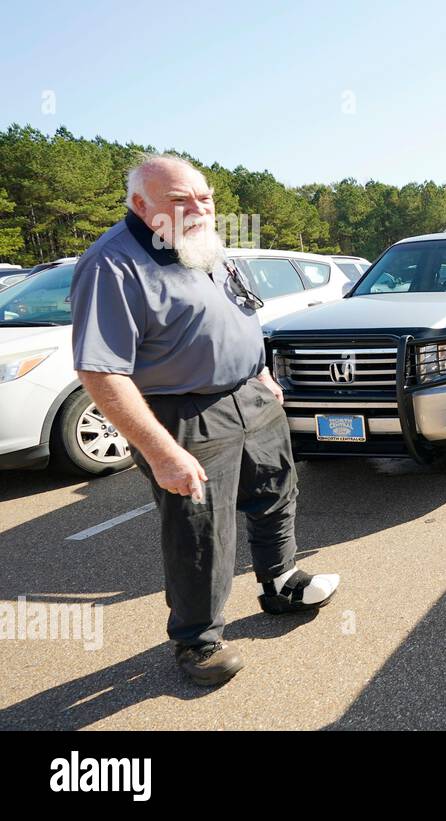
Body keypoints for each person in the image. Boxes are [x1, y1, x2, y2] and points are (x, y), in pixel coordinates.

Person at [69, 154, 340, 686]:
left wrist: (259, 373)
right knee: (200, 532)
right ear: (141, 205)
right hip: (184, 413)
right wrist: (162, 451)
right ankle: (198, 643)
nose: (197, 207)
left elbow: (235, 312)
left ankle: (279, 583)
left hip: (250, 397)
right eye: (178, 200)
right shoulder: (112, 265)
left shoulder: (201, 244)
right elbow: (101, 371)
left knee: (275, 493)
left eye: (204, 196)